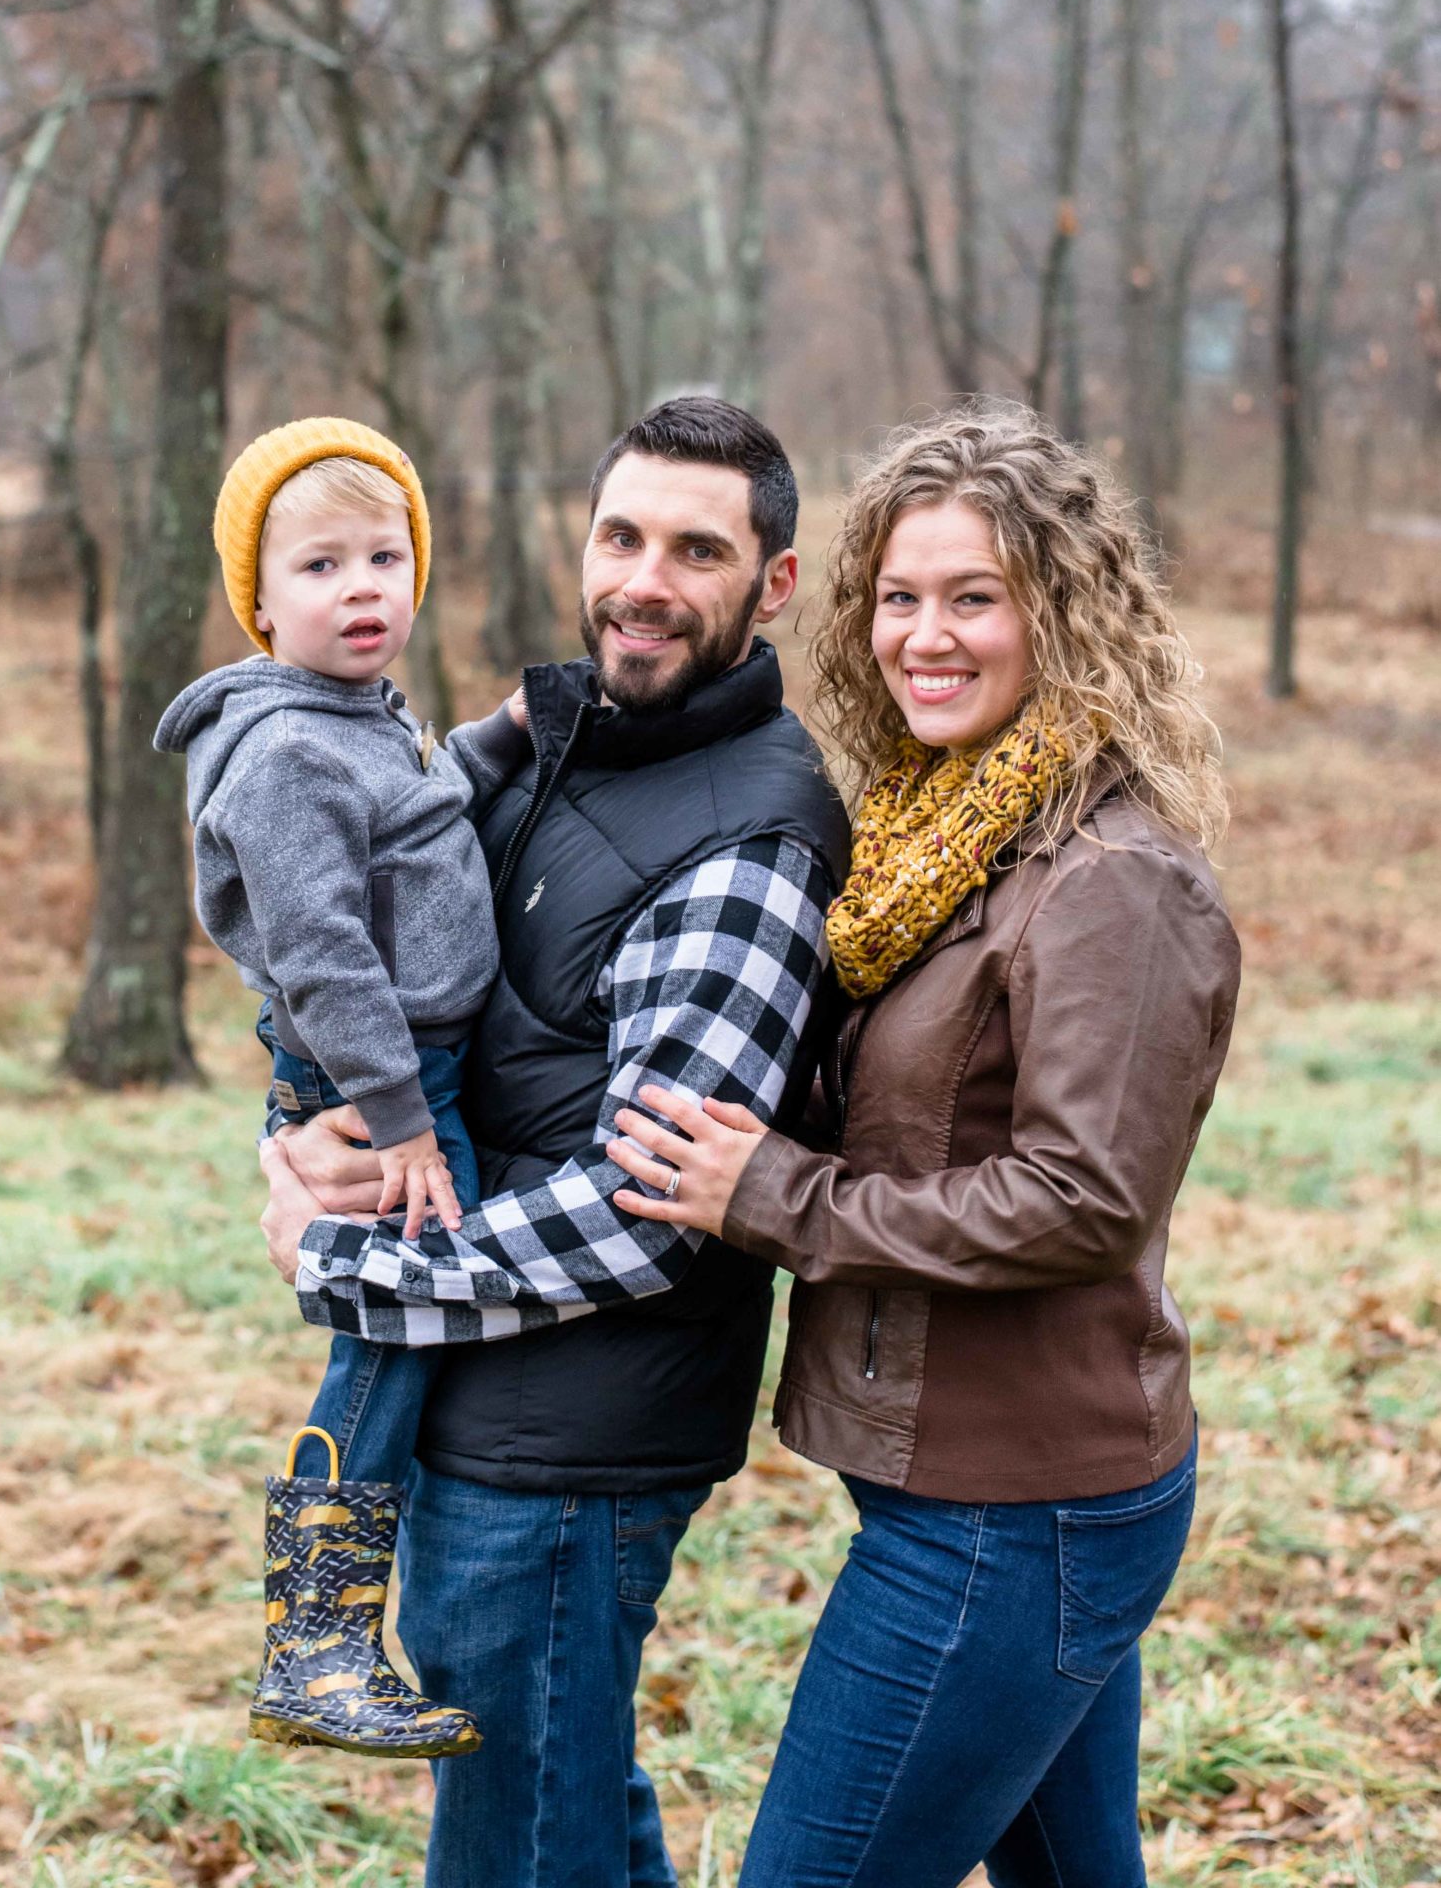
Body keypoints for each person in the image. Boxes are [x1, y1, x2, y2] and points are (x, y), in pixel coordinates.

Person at [603, 401, 1241, 1888]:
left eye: (975, 598)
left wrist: (770, 1190)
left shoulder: (1112, 879)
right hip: (979, 1489)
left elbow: (1079, 1199)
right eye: (900, 597)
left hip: (1015, 1516)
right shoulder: (935, 835)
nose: (924, 636)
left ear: (1064, 614)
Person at [259, 395, 850, 1888]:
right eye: (621, 534)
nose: (644, 579)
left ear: (772, 584)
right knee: (558, 1794)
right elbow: (396, 973)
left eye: (697, 550)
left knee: (520, 1842)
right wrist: (331, 1138)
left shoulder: (746, 846)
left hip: (575, 1440)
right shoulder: (561, 746)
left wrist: (352, 1268)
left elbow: (646, 1213)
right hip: (495, 1391)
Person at [156, 416, 530, 1760]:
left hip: (402, 1067)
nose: (362, 587)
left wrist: (497, 734)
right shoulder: (283, 752)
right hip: (383, 1074)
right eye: (321, 567)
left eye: (385, 555)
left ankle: (350, 1628)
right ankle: (315, 1646)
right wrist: (402, 1118)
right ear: (259, 603)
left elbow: (418, 813)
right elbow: (321, 951)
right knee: (392, 1338)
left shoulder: (357, 718)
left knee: (408, 1337)